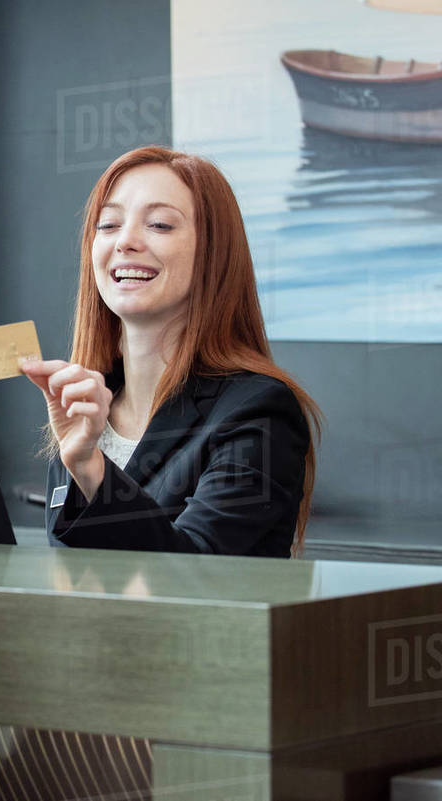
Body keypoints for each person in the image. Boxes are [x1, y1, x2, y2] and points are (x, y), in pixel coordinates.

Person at [21, 146, 321, 557]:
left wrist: (92, 469)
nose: (126, 241)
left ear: (213, 255)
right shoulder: (84, 408)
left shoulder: (260, 410)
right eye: (108, 225)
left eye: (160, 225)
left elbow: (194, 573)